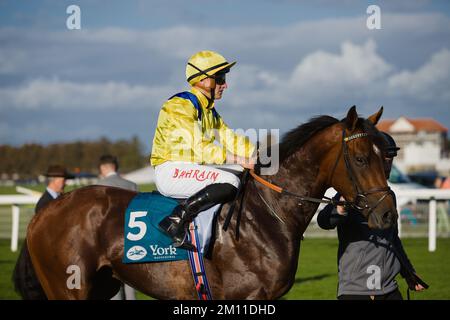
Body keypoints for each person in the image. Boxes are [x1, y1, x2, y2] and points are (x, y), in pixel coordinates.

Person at [151, 50, 256, 250]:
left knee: (245, 175)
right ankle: (176, 220)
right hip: (170, 170)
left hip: (188, 168)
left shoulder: (209, 111)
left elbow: (230, 139)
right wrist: (240, 159)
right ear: (203, 80)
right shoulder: (180, 104)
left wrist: (261, 154)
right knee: (231, 181)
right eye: (220, 78)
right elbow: (200, 148)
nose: (225, 85)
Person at [317, 132, 427, 300]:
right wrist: (339, 210)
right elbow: (323, 221)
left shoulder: (390, 197)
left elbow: (393, 239)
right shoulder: (350, 194)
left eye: (391, 158)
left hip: (390, 288)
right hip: (354, 291)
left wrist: (408, 272)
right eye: (384, 158)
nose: (388, 163)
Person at [96, 154, 137, 300]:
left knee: (112, 281)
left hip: (108, 240)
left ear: (102, 167)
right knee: (132, 282)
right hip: (131, 237)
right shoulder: (131, 185)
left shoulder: (98, 186)